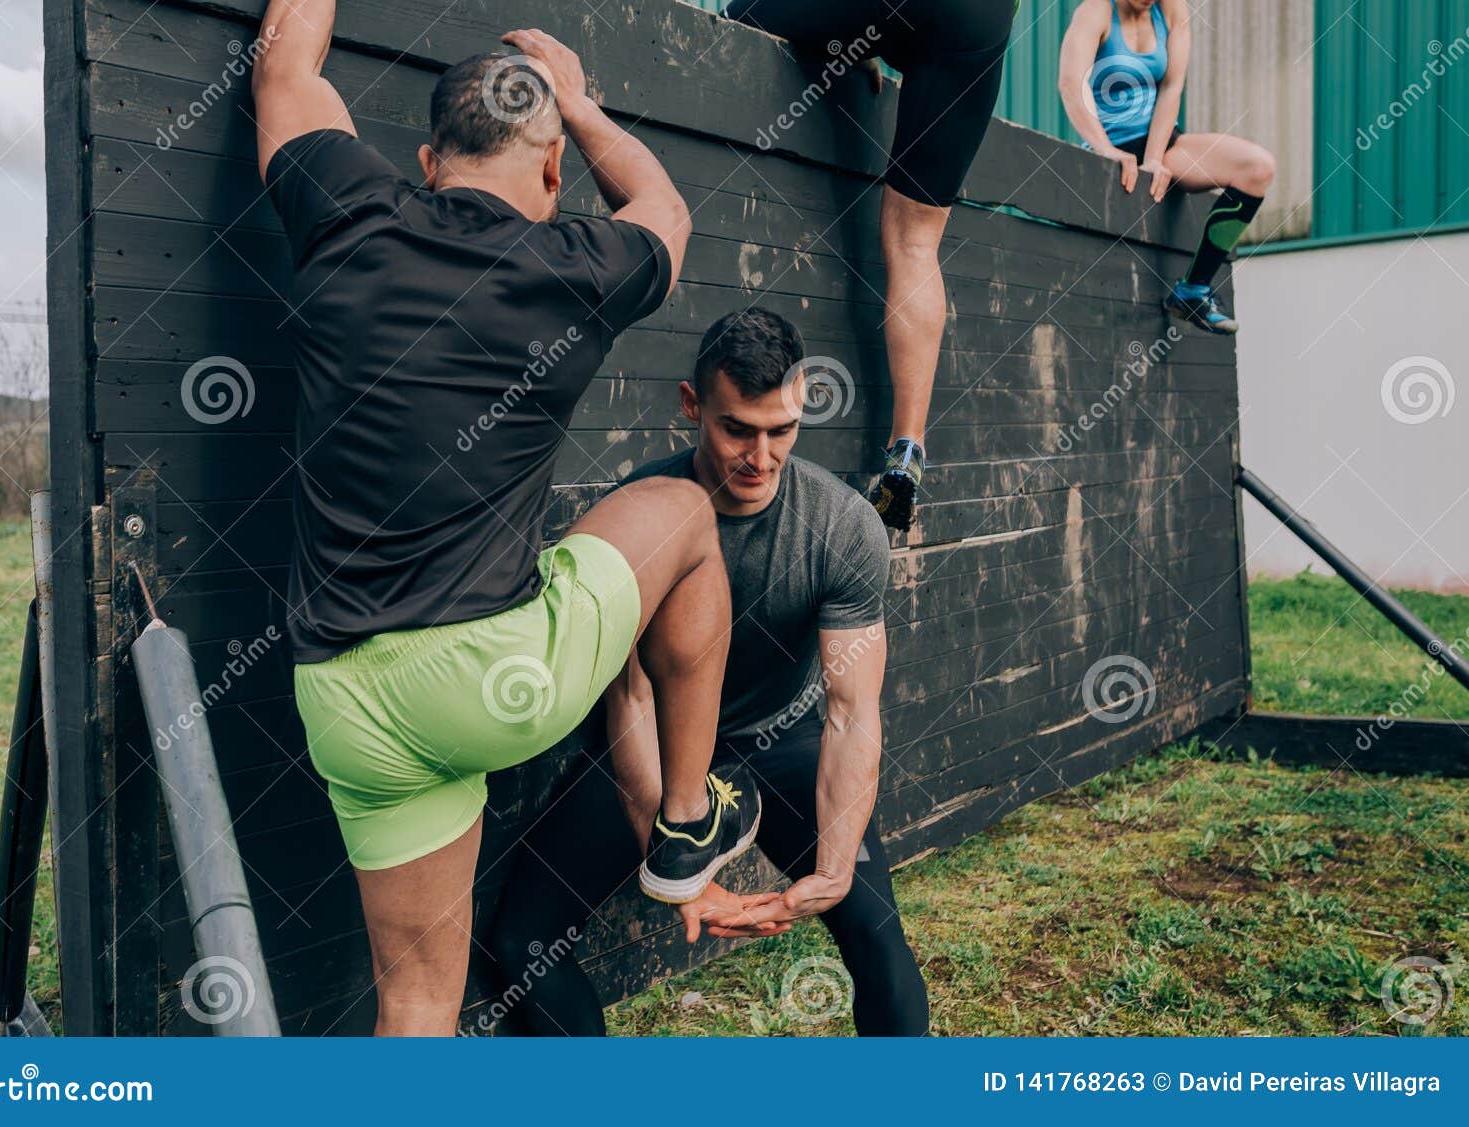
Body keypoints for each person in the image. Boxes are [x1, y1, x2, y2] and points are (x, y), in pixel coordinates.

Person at [252, 1, 761, 1035]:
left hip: (346, 703)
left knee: (416, 1001)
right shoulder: (576, 264)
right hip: (491, 680)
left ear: (429, 160)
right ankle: (681, 819)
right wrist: (577, 105)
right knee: (684, 512)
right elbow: (663, 204)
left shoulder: (346, 209)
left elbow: (283, 68)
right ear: (549, 176)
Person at [488, 308, 929, 1037]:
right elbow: (628, 697)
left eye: (780, 430)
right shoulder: (639, 514)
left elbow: (852, 712)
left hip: (778, 736)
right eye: (737, 429)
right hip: (659, 740)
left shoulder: (841, 525)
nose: (760, 455)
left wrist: (838, 864)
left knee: (877, 933)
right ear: (693, 407)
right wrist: (676, 859)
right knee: (520, 944)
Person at [724, 1, 1019, 532]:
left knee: (743, 10)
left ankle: (850, 43)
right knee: (915, 243)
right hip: (982, 19)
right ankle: (907, 450)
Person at [1059, 0, 1277, 334]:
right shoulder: (1097, 10)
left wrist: (1155, 159)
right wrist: (1105, 150)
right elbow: (1071, 85)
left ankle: (1193, 291)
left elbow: (1172, 87)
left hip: (1161, 145)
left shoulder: (1172, 10)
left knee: (1258, 168)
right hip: (1110, 147)